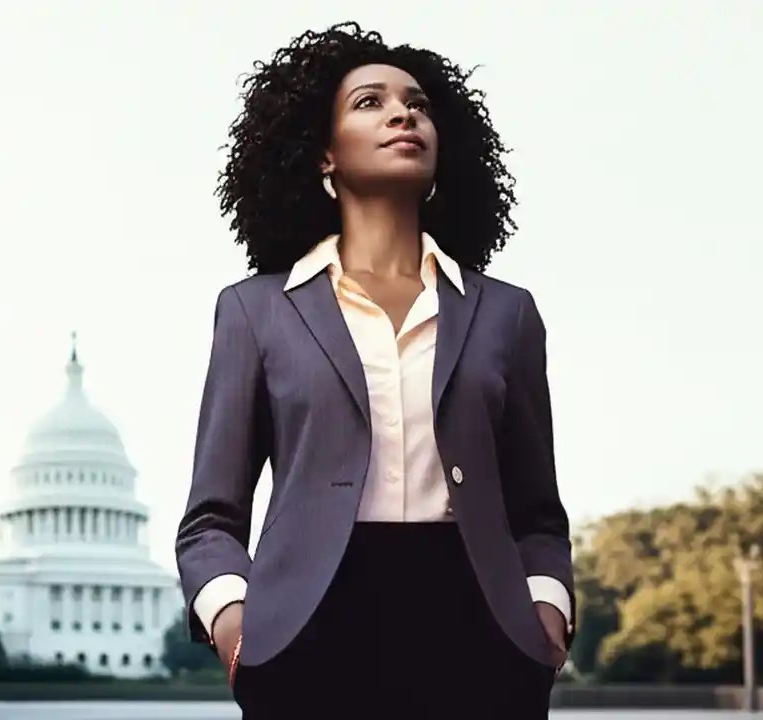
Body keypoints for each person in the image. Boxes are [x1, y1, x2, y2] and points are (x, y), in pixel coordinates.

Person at [174, 21, 575, 718]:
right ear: (324, 154)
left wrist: (546, 612)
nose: (402, 113)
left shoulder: (508, 314)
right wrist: (236, 624)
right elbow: (211, 517)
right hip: (308, 628)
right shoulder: (255, 311)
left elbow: (537, 510)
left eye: (417, 103)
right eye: (370, 102)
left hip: (482, 627)